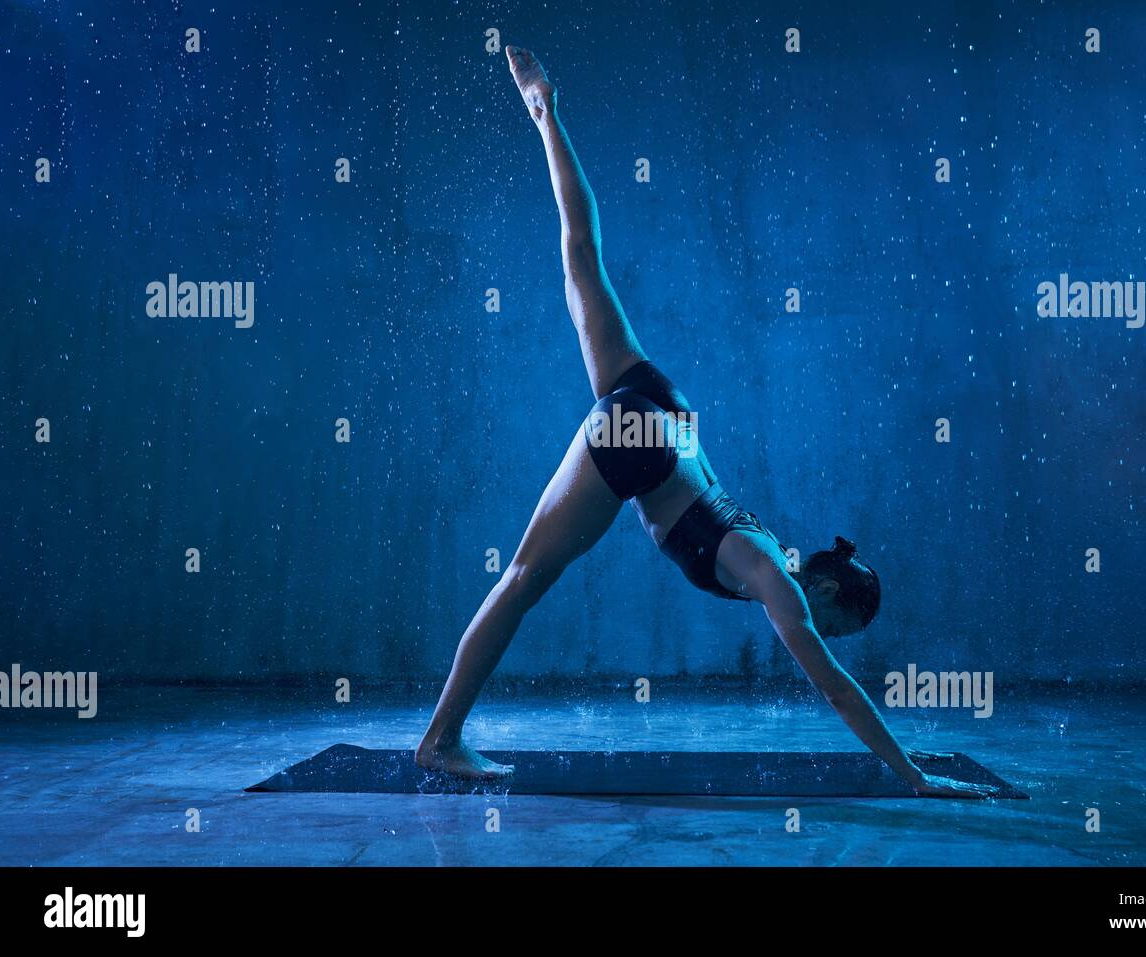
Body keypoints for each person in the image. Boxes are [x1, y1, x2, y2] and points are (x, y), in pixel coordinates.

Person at [414, 46, 998, 799]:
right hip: (650, 445)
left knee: (584, 256)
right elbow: (839, 691)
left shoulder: (768, 550)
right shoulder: (777, 583)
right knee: (524, 576)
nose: (823, 641)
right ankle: (439, 739)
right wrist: (912, 776)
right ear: (826, 594)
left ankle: (544, 110)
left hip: (665, 413)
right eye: (835, 628)